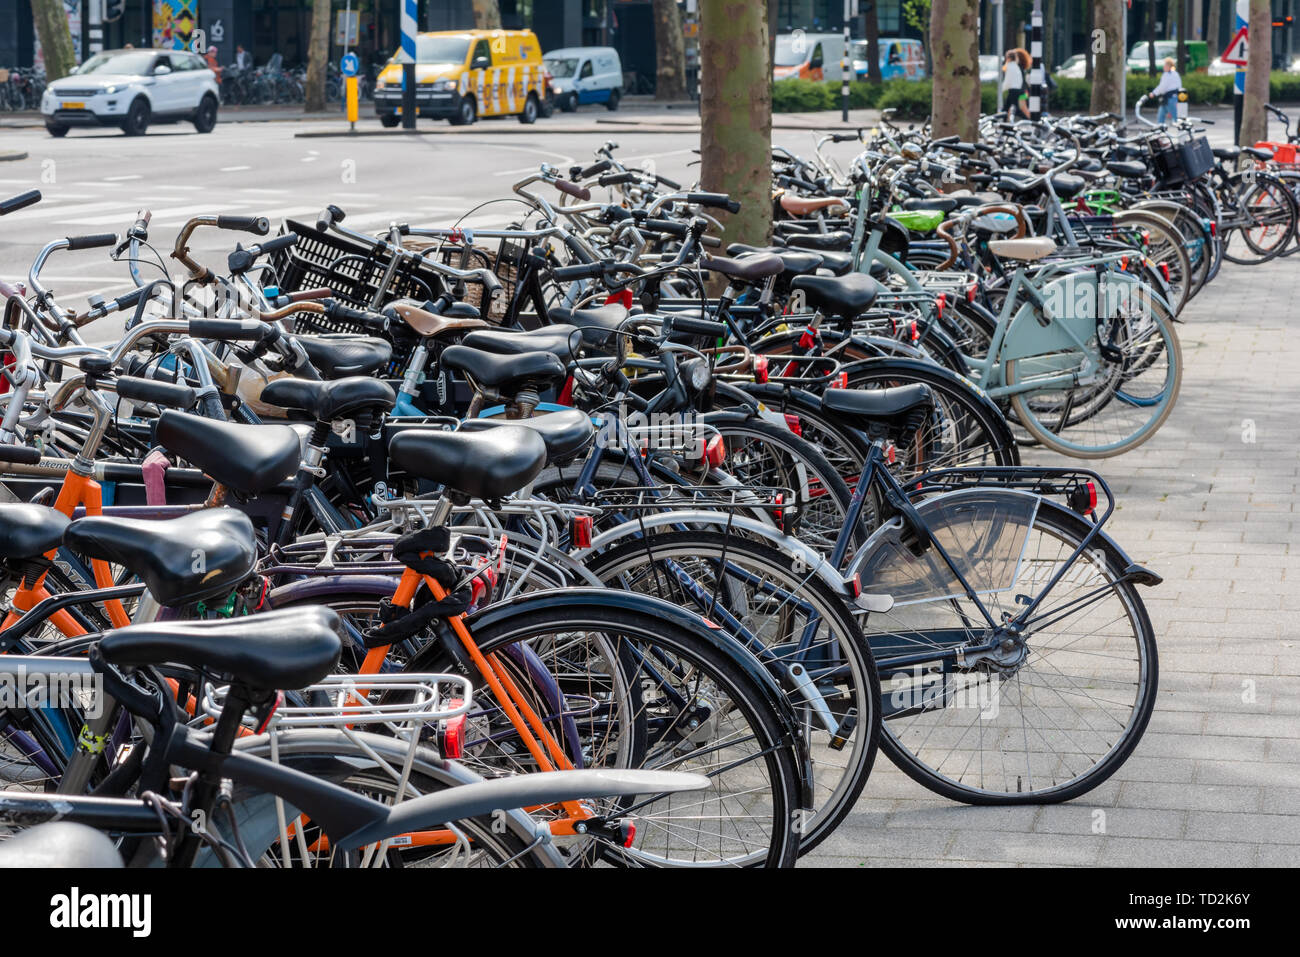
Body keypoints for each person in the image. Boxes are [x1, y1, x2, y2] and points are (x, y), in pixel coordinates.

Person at [1152, 57, 1182, 125]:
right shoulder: (1176, 74)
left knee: (1176, 118)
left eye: (1165, 65)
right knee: (1161, 115)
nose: (1164, 67)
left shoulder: (1167, 74)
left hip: (1169, 99)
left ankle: (1183, 134)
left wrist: (1153, 93)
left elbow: (1162, 87)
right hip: (1173, 98)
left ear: (1169, 66)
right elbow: (1179, 86)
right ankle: (1160, 131)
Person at [1002, 49, 1029, 119]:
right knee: (1008, 107)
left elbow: (1008, 80)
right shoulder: (1017, 66)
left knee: (1016, 109)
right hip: (1020, 90)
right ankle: (1003, 123)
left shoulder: (1010, 66)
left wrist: (1002, 89)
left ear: (1009, 58)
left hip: (1015, 90)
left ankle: (1029, 120)